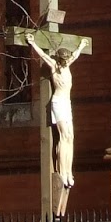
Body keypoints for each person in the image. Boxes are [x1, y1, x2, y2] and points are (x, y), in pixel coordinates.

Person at [25, 33, 86, 191]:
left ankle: (69, 171)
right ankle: (62, 171)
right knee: (64, 136)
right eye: (63, 59)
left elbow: (76, 55)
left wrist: (81, 45)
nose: (66, 61)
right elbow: (43, 55)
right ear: (59, 58)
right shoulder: (54, 66)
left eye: (66, 59)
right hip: (58, 103)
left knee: (70, 137)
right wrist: (32, 43)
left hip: (67, 103)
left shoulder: (68, 64)